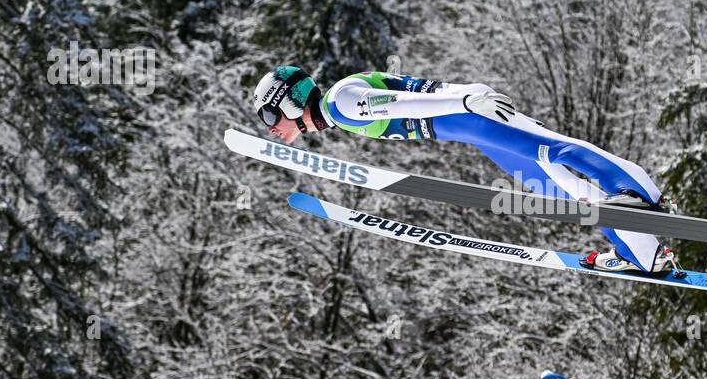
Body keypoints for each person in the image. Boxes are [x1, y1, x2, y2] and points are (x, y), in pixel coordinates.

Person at [250, 66, 675, 274]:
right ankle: (643, 253)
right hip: (470, 125)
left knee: (553, 152)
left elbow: (407, 105)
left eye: (271, 119)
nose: (274, 130)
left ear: (289, 102)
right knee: (556, 186)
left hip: (472, 116)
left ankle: (641, 192)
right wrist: (465, 103)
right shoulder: (338, 107)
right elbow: (417, 93)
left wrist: (468, 101)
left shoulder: (340, 104)